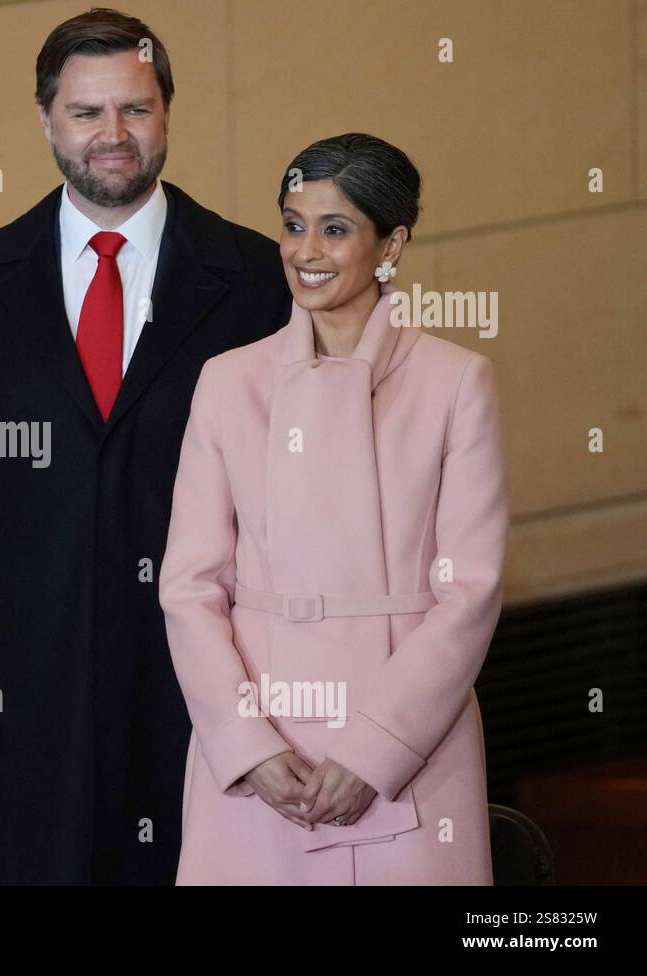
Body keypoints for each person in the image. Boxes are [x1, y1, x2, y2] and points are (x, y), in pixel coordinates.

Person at [0, 8, 292, 884]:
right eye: (87, 113)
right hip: (29, 703)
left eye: (136, 109)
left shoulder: (256, 282)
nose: (113, 136)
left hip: (209, 695)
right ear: (46, 121)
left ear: (167, 114)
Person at [159, 132, 508, 884]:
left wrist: (374, 747)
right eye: (292, 224)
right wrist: (248, 745)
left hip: (410, 755)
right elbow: (189, 587)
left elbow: (469, 593)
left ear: (393, 243)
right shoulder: (227, 382)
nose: (304, 249)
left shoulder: (455, 383)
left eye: (335, 228)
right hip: (260, 761)